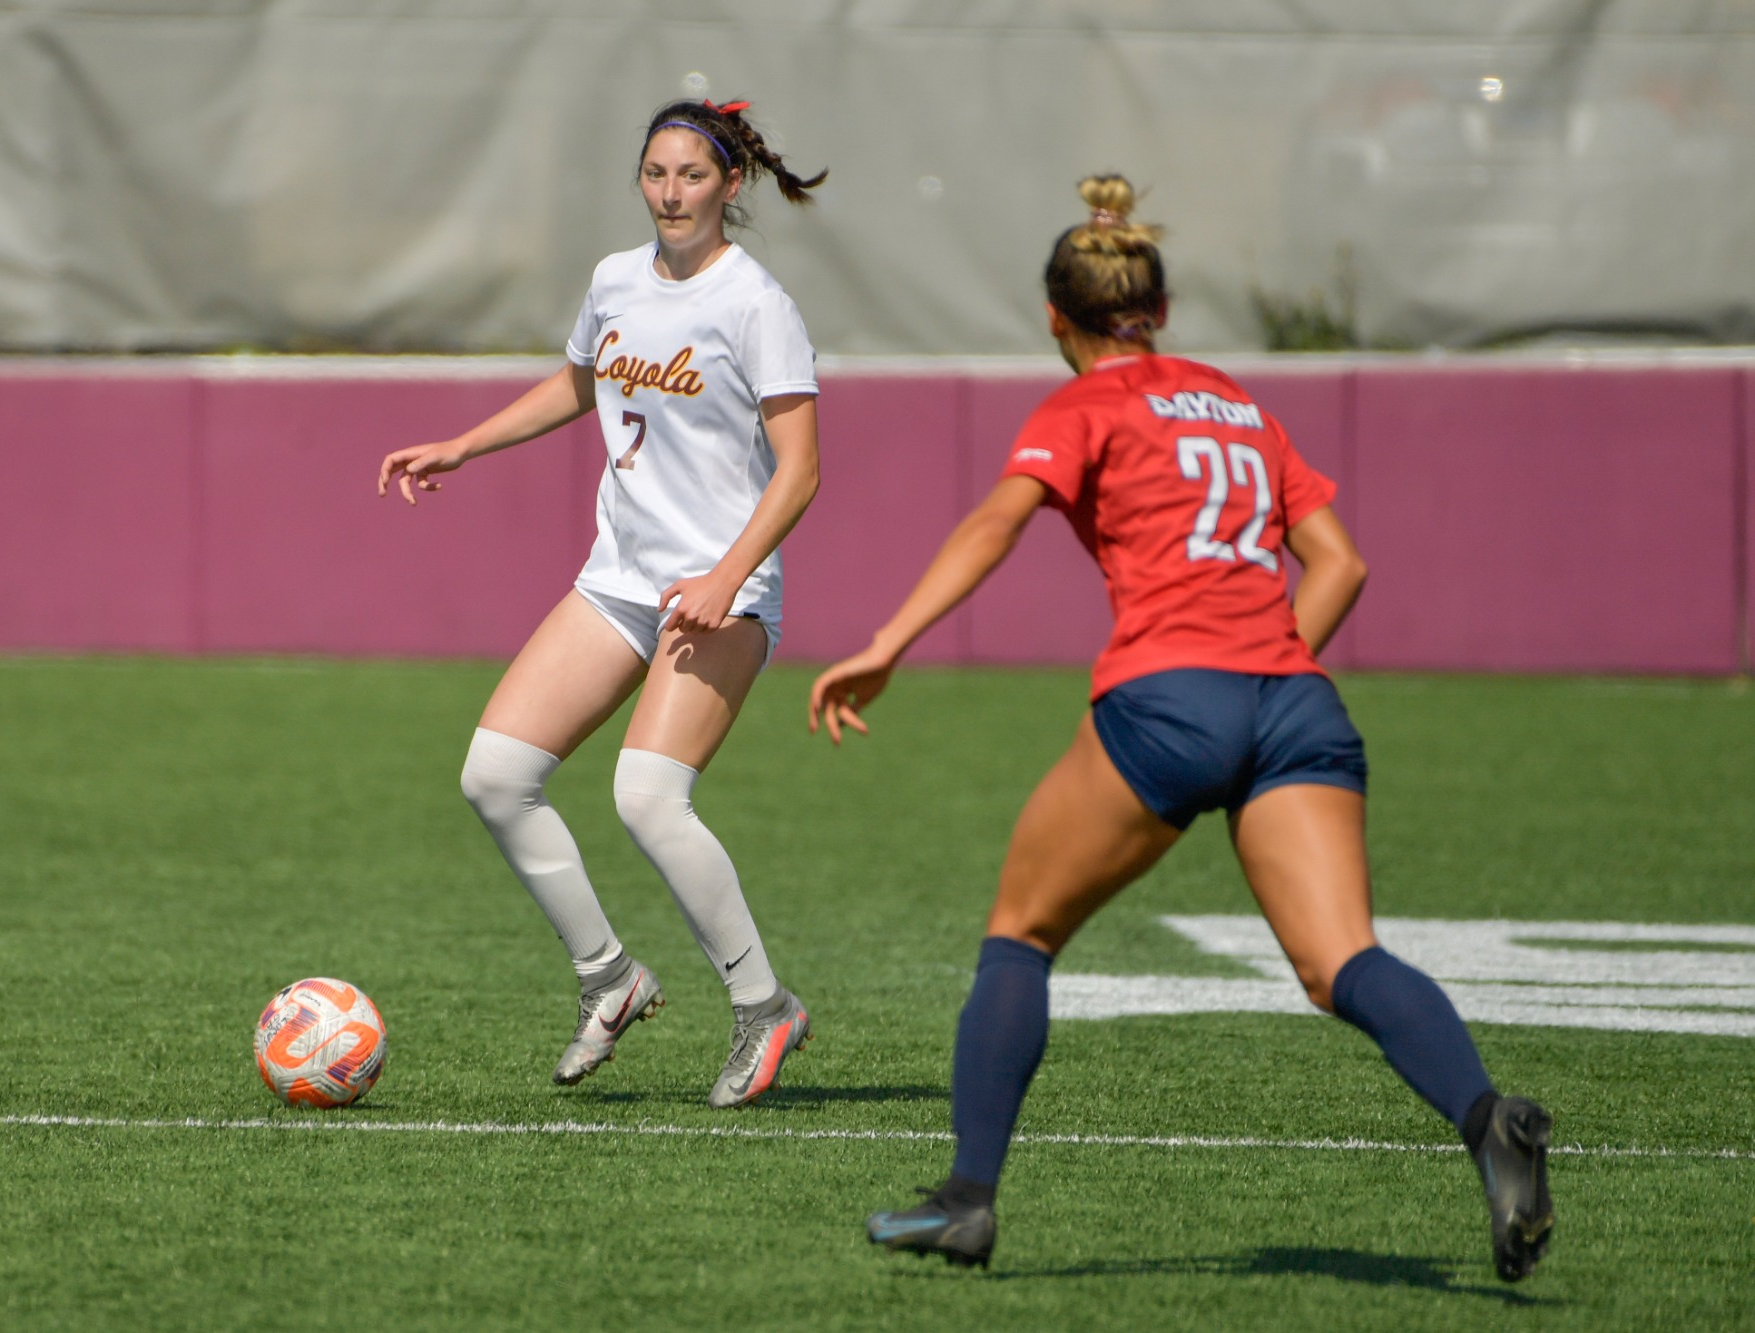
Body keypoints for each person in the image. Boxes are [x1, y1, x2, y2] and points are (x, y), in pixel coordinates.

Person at [811, 176, 1553, 1279]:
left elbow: (993, 521)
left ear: (1054, 318)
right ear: (1158, 311)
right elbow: (1340, 562)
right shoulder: (1234, 403)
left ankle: (965, 1198)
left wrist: (887, 640)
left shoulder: (1076, 405)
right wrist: (1260, 659)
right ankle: (1484, 1116)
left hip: (1168, 697)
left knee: (1020, 932)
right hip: (1294, 699)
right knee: (1339, 959)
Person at [377, 100, 822, 1109]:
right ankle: (609, 977)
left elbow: (798, 472)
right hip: (618, 578)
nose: (671, 193)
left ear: (730, 187)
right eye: (656, 173)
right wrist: (461, 443)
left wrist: (721, 580)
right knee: (494, 776)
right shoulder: (615, 280)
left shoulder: (755, 302)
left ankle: (763, 1005)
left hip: (723, 593)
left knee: (645, 798)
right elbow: (577, 384)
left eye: (692, 176)